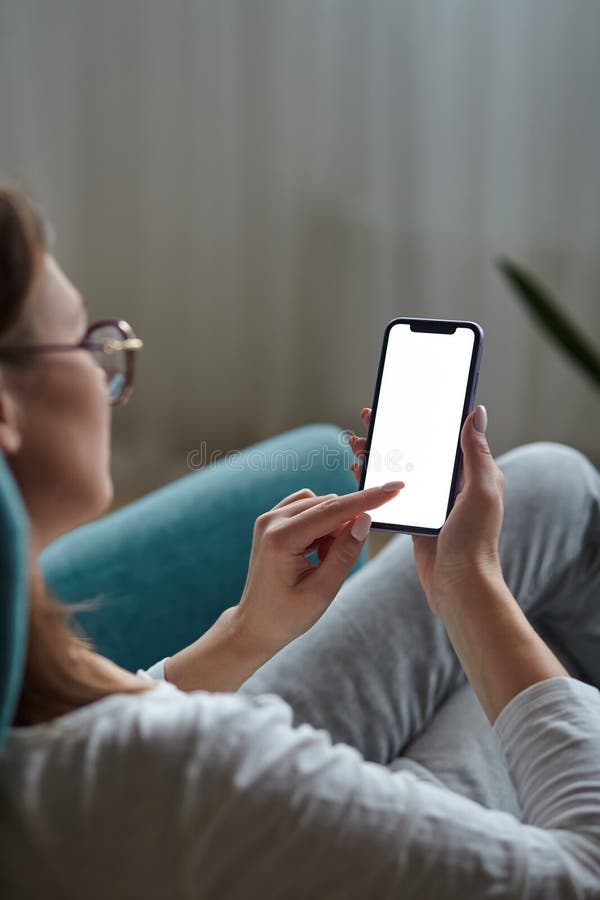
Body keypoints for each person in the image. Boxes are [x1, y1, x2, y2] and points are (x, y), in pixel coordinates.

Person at [0, 184, 598, 899]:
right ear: (7, 409)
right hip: (224, 820)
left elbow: (82, 725)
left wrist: (249, 633)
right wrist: (474, 594)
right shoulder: (190, 771)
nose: (111, 370)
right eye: (87, 342)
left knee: (550, 487)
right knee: (523, 657)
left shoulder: (40, 693)